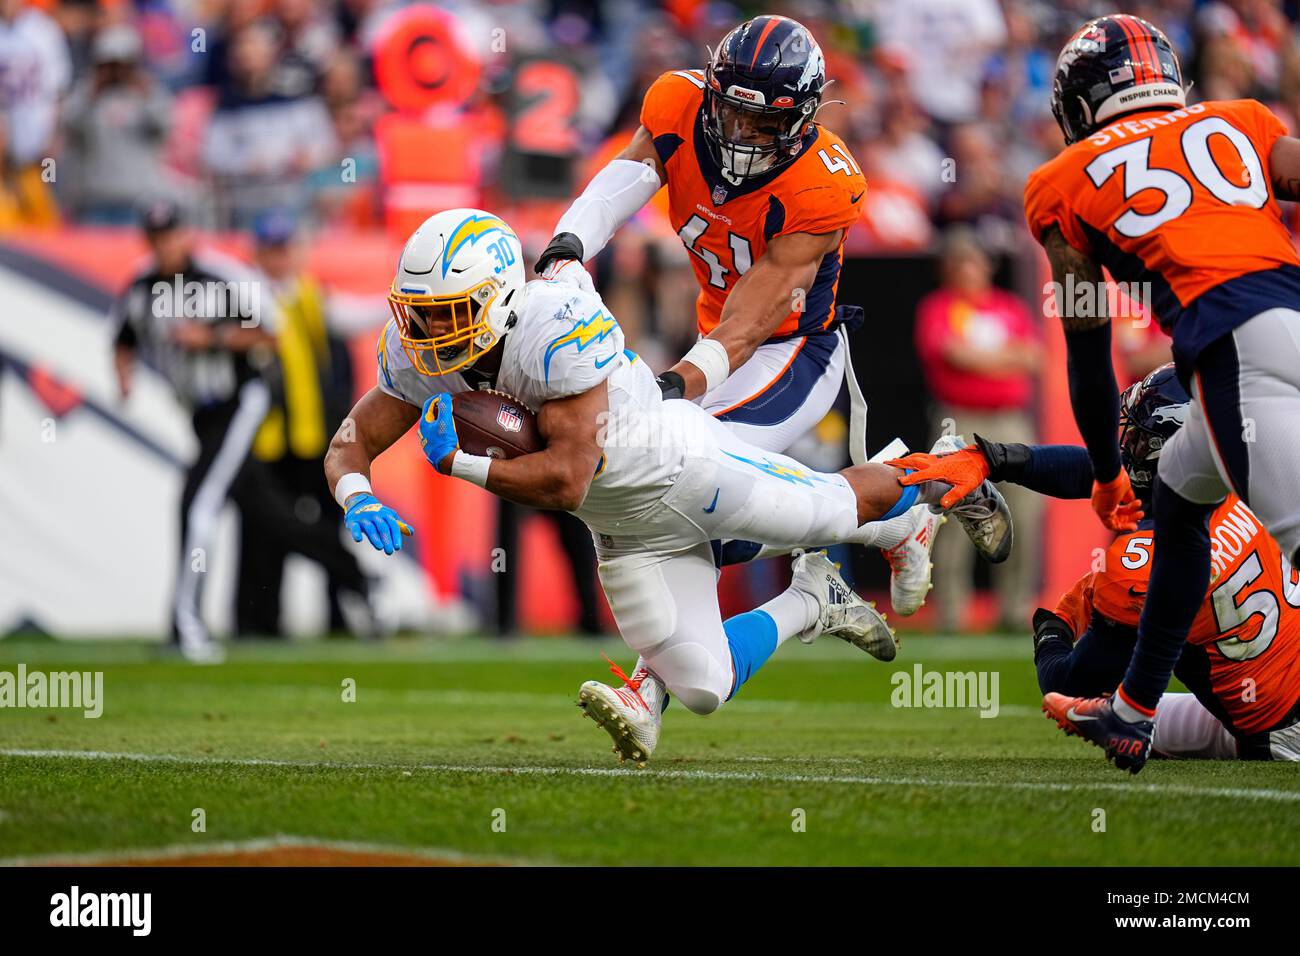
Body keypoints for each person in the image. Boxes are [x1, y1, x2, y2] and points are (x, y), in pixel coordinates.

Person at [322, 207, 1013, 766]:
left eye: (448, 311)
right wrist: (356, 492)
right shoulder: (416, 351)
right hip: (624, 529)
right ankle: (812, 600)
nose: (429, 331)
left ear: (501, 298)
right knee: (705, 686)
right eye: (420, 312)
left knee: (835, 506)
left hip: (681, 468)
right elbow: (353, 440)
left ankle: (937, 474)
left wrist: (461, 464)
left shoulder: (551, 327)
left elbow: (566, 478)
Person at [531, 15, 947, 617]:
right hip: (716, 340)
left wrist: (670, 384)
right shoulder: (678, 101)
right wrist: (567, 244)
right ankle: (883, 518)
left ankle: (898, 503)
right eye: (733, 112)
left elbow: (749, 324)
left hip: (791, 351)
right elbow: (628, 175)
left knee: (684, 493)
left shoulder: (822, 185)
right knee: (678, 512)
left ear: (803, 118)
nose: (745, 133)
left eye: (767, 121)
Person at [1017, 14, 1300, 772]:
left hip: (1236, 350)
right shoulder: (1240, 118)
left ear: (1079, 105)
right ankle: (1136, 711)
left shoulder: (1060, 183)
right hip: (1280, 329)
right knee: (1179, 496)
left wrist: (1107, 471)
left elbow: (1086, 341)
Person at [892, 365, 1300, 760]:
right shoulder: (1254, 469)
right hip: (1279, 679)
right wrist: (993, 459)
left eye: (1141, 440)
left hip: (1281, 730)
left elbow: (1072, 684)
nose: (1127, 447)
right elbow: (1104, 471)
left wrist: (1053, 629)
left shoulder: (1144, 562)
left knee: (1103, 714)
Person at [237, 208, 375, 639]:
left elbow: (353, 315)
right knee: (264, 533)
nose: (279, 258)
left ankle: (340, 615)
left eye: (285, 249)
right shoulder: (245, 299)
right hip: (265, 440)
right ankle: (258, 621)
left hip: (313, 437)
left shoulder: (311, 297)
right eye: (271, 250)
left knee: (329, 524)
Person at [915, 227, 1041, 631]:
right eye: (959, 262)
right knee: (954, 512)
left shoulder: (1009, 306)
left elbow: (1035, 357)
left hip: (1010, 419)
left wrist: (983, 358)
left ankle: (1016, 608)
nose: (968, 269)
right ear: (948, 269)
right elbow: (953, 354)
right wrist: (1004, 358)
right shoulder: (938, 307)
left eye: (973, 260)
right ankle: (951, 612)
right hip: (960, 422)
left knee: (1025, 512)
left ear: (986, 266)